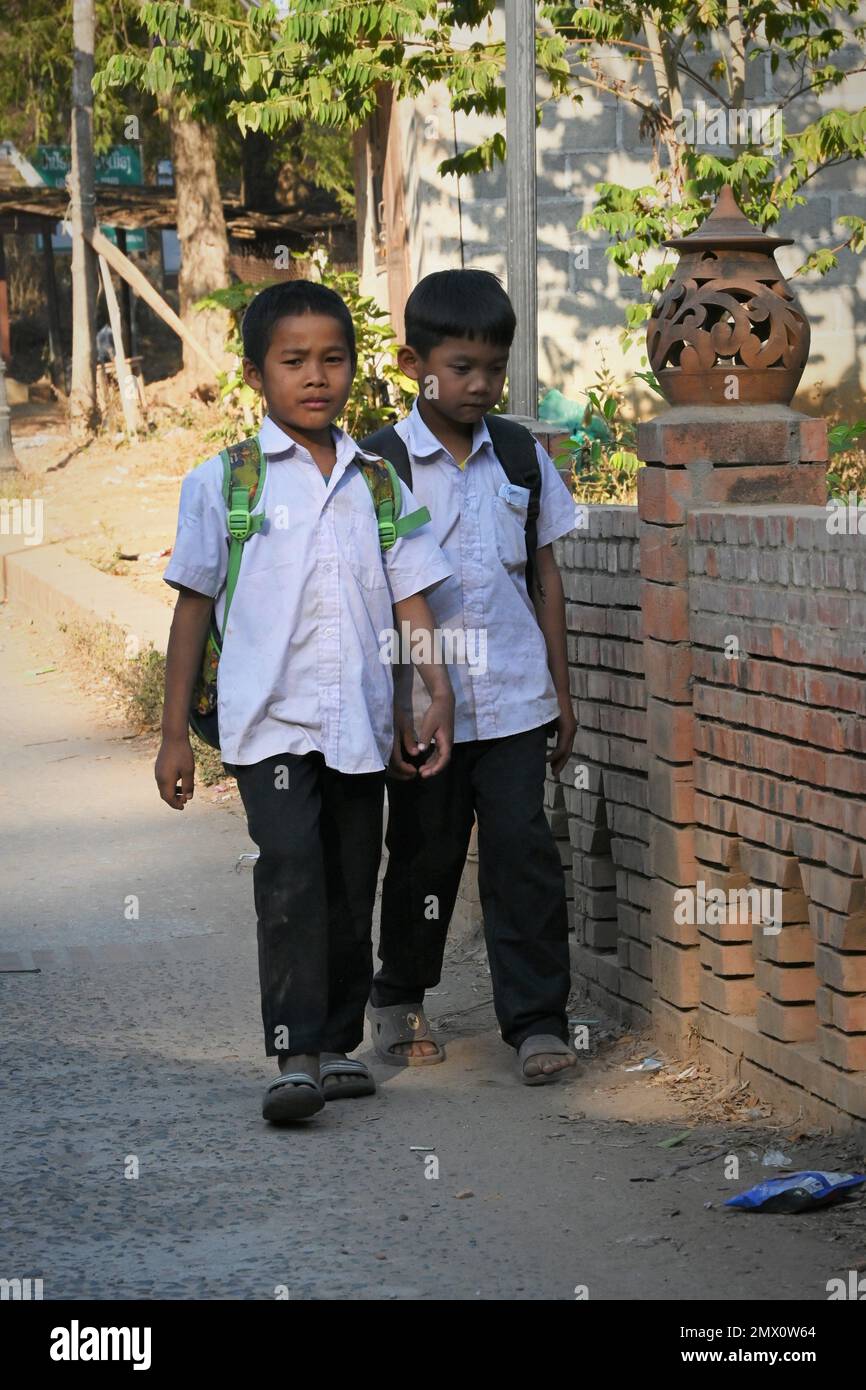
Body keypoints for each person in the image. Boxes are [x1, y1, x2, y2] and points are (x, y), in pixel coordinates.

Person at [155, 280, 454, 1123]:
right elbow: (192, 609)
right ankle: (294, 1052)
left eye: (332, 359)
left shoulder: (378, 485)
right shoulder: (223, 484)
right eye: (294, 362)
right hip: (267, 723)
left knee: (351, 877)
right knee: (290, 873)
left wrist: (438, 695)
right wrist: (174, 735)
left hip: (358, 724)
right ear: (257, 375)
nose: (316, 377)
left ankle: (337, 1043)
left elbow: (412, 602)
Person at [364, 269, 579, 1085]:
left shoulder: (521, 456)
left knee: (524, 852)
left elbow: (547, 578)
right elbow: (369, 600)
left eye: (494, 367)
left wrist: (564, 692)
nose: (481, 384)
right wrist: (387, 710)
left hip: (518, 700)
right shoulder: (379, 466)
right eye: (461, 367)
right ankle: (398, 996)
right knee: (424, 855)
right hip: (422, 705)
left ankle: (537, 1021)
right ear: (415, 362)